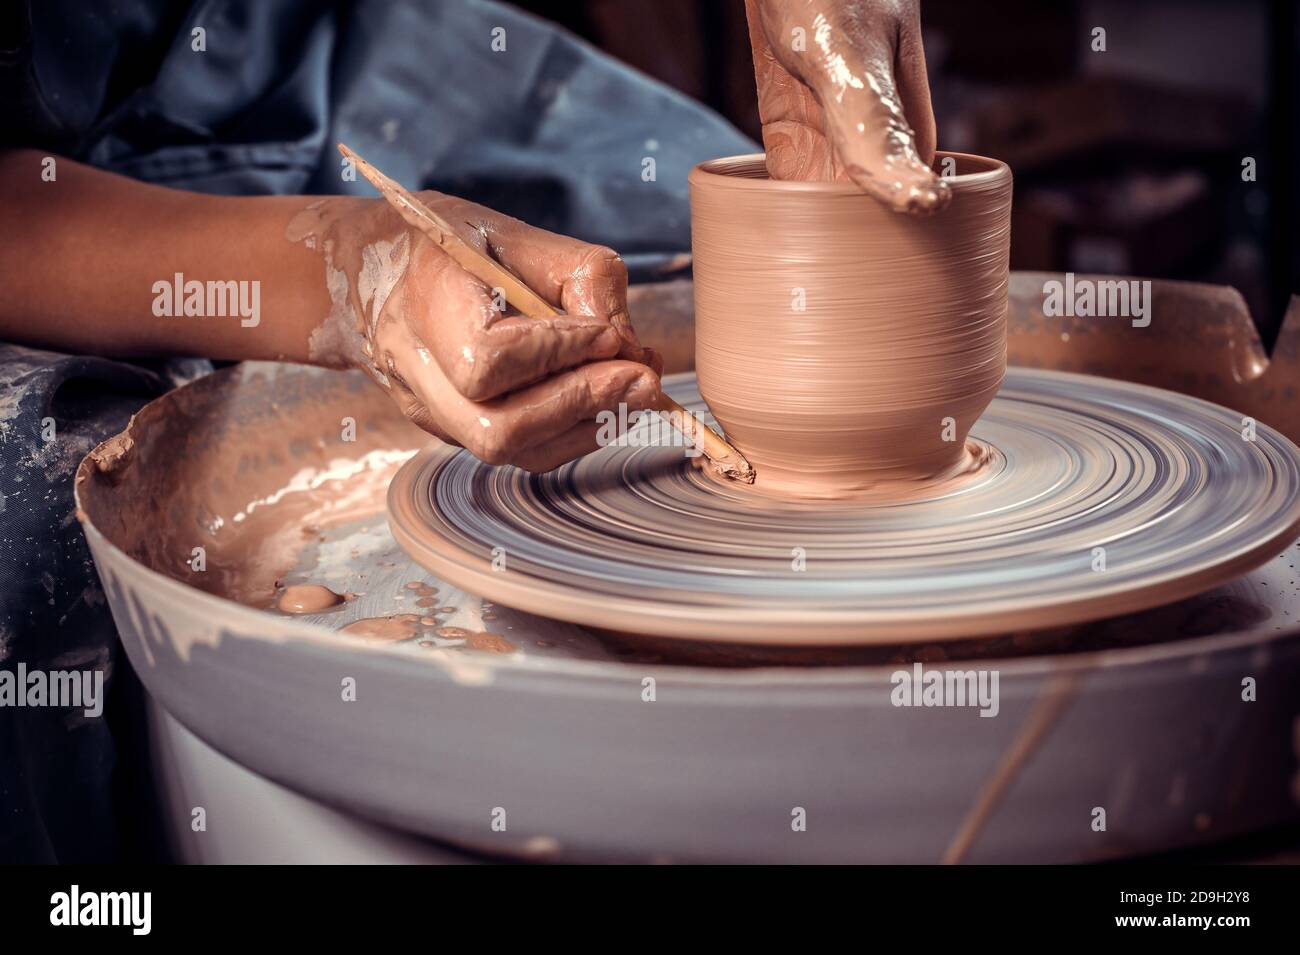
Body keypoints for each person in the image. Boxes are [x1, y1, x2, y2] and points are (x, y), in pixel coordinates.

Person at [0, 0, 939, 861]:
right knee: (38, 555)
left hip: (278, 40)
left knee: (711, 230)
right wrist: (341, 272)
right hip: (46, 216)